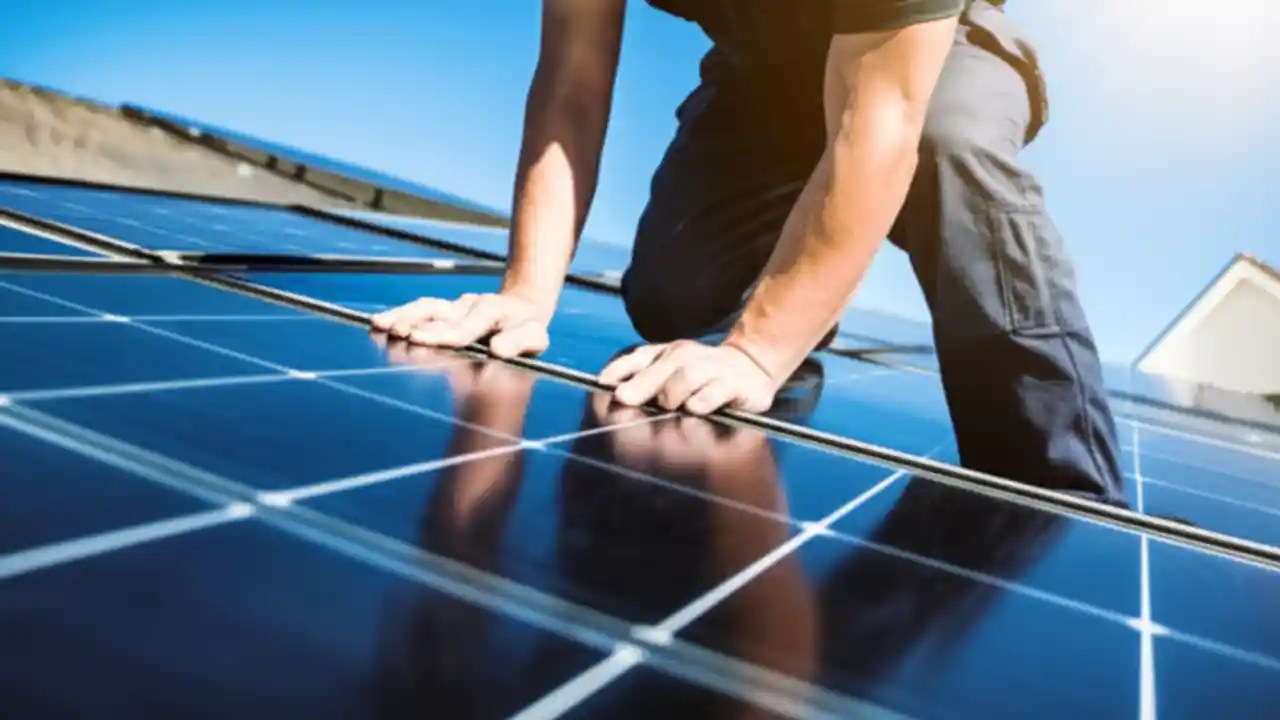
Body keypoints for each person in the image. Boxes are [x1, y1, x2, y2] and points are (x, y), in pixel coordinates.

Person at [373, 0, 1124, 500]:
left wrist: (760, 351)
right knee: (674, 295)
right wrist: (525, 295)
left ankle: (1069, 497)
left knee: (947, 140)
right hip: (761, 82)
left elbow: (885, 113)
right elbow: (572, 77)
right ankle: (802, 285)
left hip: (933, 58)